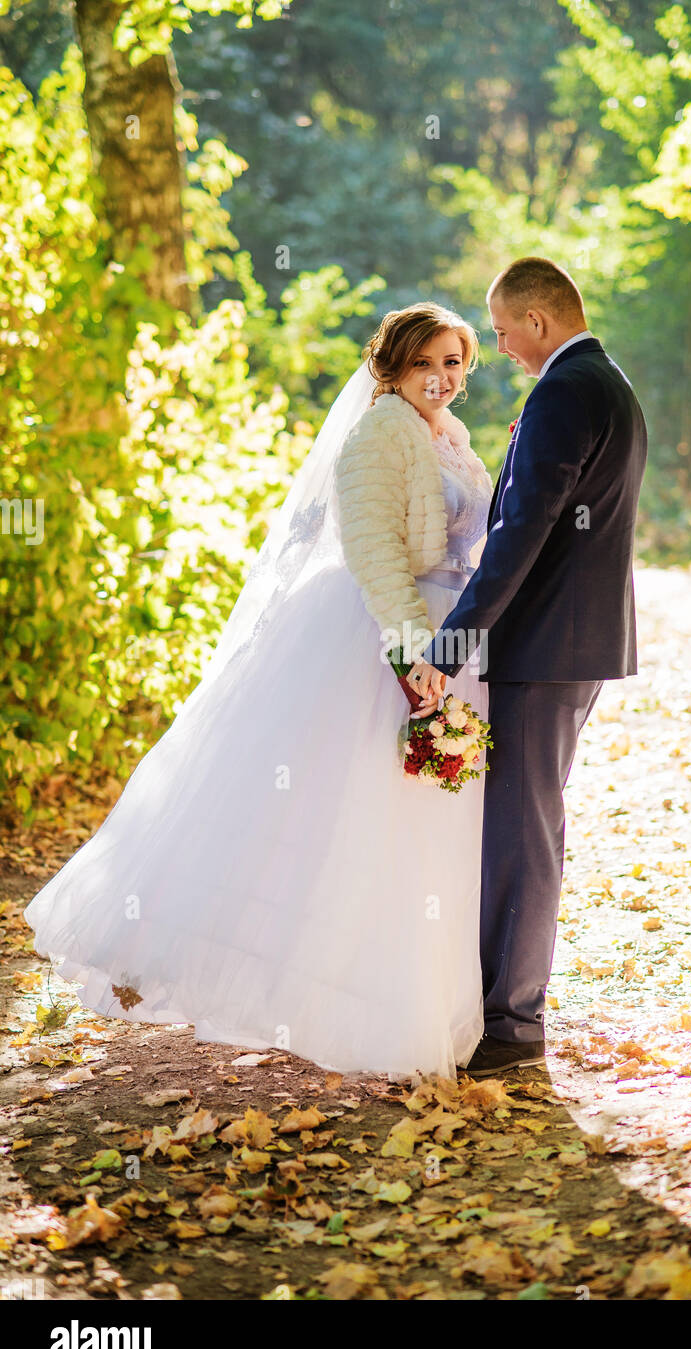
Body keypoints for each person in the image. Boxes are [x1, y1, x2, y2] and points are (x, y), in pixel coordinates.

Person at [23, 302, 494, 1082]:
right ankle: (302, 986)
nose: (442, 378)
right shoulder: (378, 434)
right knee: (347, 813)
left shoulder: (446, 434)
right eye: (426, 364)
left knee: (413, 824)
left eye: (454, 363)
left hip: (447, 635)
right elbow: (375, 551)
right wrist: (415, 654)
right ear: (391, 368)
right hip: (385, 633)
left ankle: (402, 991)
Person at [409, 257, 648, 1078]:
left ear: (539, 322)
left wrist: (450, 643)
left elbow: (522, 531)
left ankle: (511, 1020)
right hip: (566, 643)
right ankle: (505, 1005)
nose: (500, 348)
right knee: (526, 822)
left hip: (546, 644)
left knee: (520, 830)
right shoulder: (601, 379)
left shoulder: (566, 390)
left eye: (504, 332)